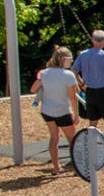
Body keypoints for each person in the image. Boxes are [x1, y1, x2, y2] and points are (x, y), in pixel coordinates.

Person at [30, 46, 80, 176]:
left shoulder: (45, 73)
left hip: (47, 110)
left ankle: (56, 167)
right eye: (70, 59)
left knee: (54, 137)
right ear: (63, 59)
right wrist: (76, 114)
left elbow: (33, 89)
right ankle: (77, 165)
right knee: (72, 139)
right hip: (62, 110)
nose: (71, 61)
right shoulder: (68, 75)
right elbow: (73, 97)